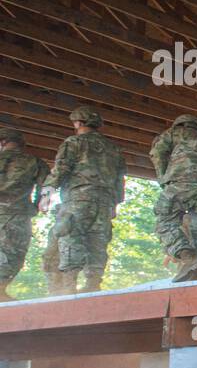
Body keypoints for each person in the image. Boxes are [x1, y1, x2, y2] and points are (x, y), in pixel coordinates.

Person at [39, 107, 126, 294]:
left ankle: (70, 285)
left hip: (78, 199)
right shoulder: (114, 148)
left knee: (70, 235)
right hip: (105, 201)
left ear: (77, 123)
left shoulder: (74, 142)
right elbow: (120, 178)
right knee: (98, 241)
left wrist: (45, 195)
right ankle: (93, 284)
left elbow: (61, 169)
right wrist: (115, 203)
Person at [150, 114, 197, 282]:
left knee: (165, 218)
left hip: (182, 181)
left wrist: (163, 179)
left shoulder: (174, 133)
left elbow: (157, 153)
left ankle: (187, 257)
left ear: (179, 124)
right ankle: (193, 272)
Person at [0, 127, 49, 301]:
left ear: (3, 142)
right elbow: (46, 187)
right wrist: (35, 207)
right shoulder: (34, 162)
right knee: (13, 252)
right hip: (16, 215)